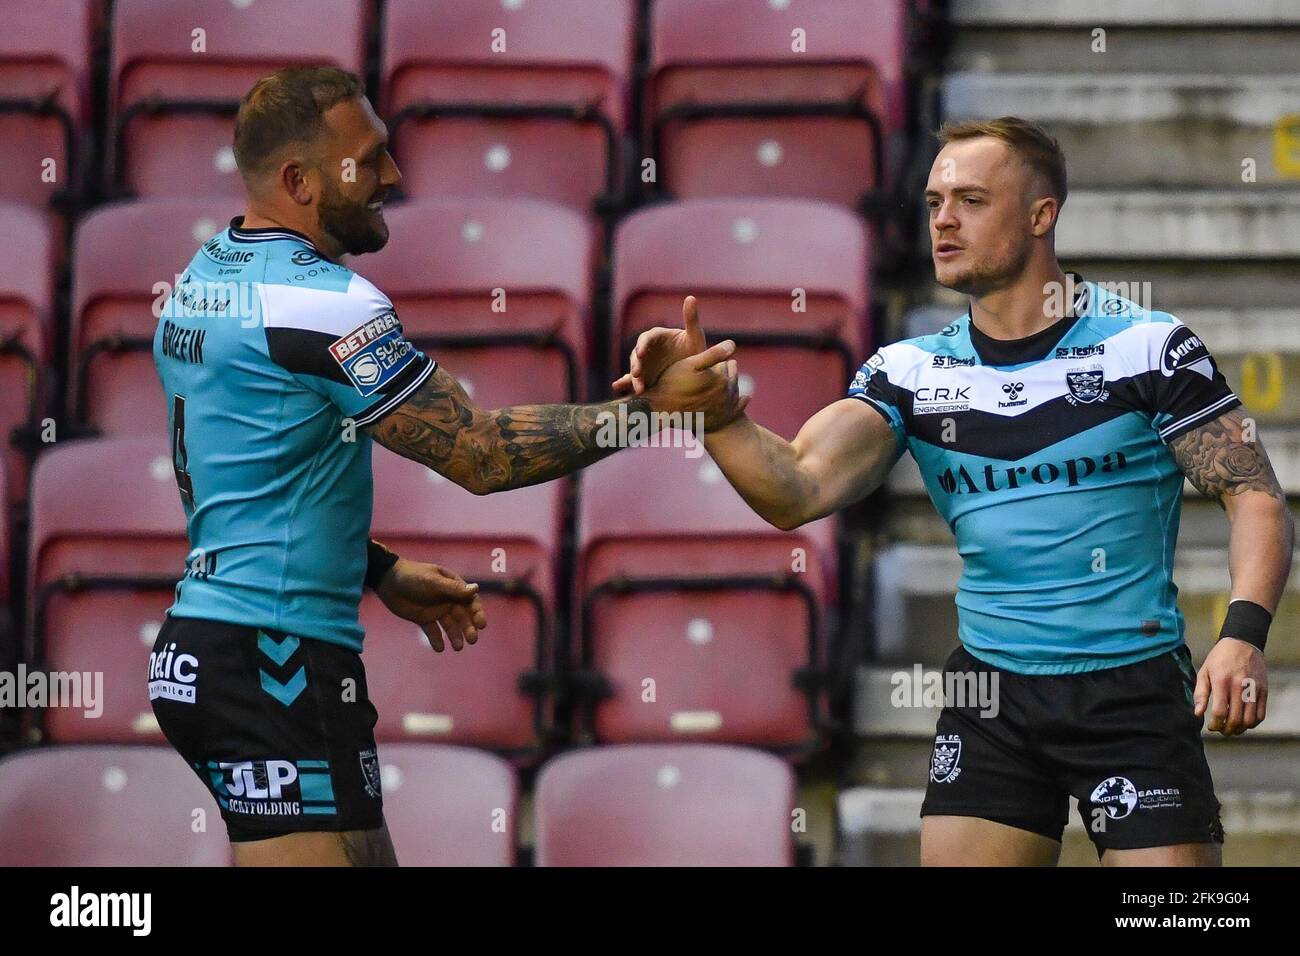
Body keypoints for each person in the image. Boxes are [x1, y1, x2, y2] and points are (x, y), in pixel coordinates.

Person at [618, 117, 1295, 866]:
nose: (943, 219)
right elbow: (798, 488)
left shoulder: (1147, 347)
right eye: (935, 200)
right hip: (991, 696)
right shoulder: (907, 372)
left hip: (1130, 693)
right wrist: (718, 416)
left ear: (1042, 215)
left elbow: (1255, 496)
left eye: (971, 200)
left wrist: (1242, 635)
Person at [150, 66, 745, 866]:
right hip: (272, 658)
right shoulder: (323, 301)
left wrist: (376, 567)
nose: (394, 176)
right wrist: (656, 411)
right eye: (371, 158)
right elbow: (479, 454)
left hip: (222, 647)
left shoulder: (200, 281)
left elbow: (248, 478)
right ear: (299, 180)